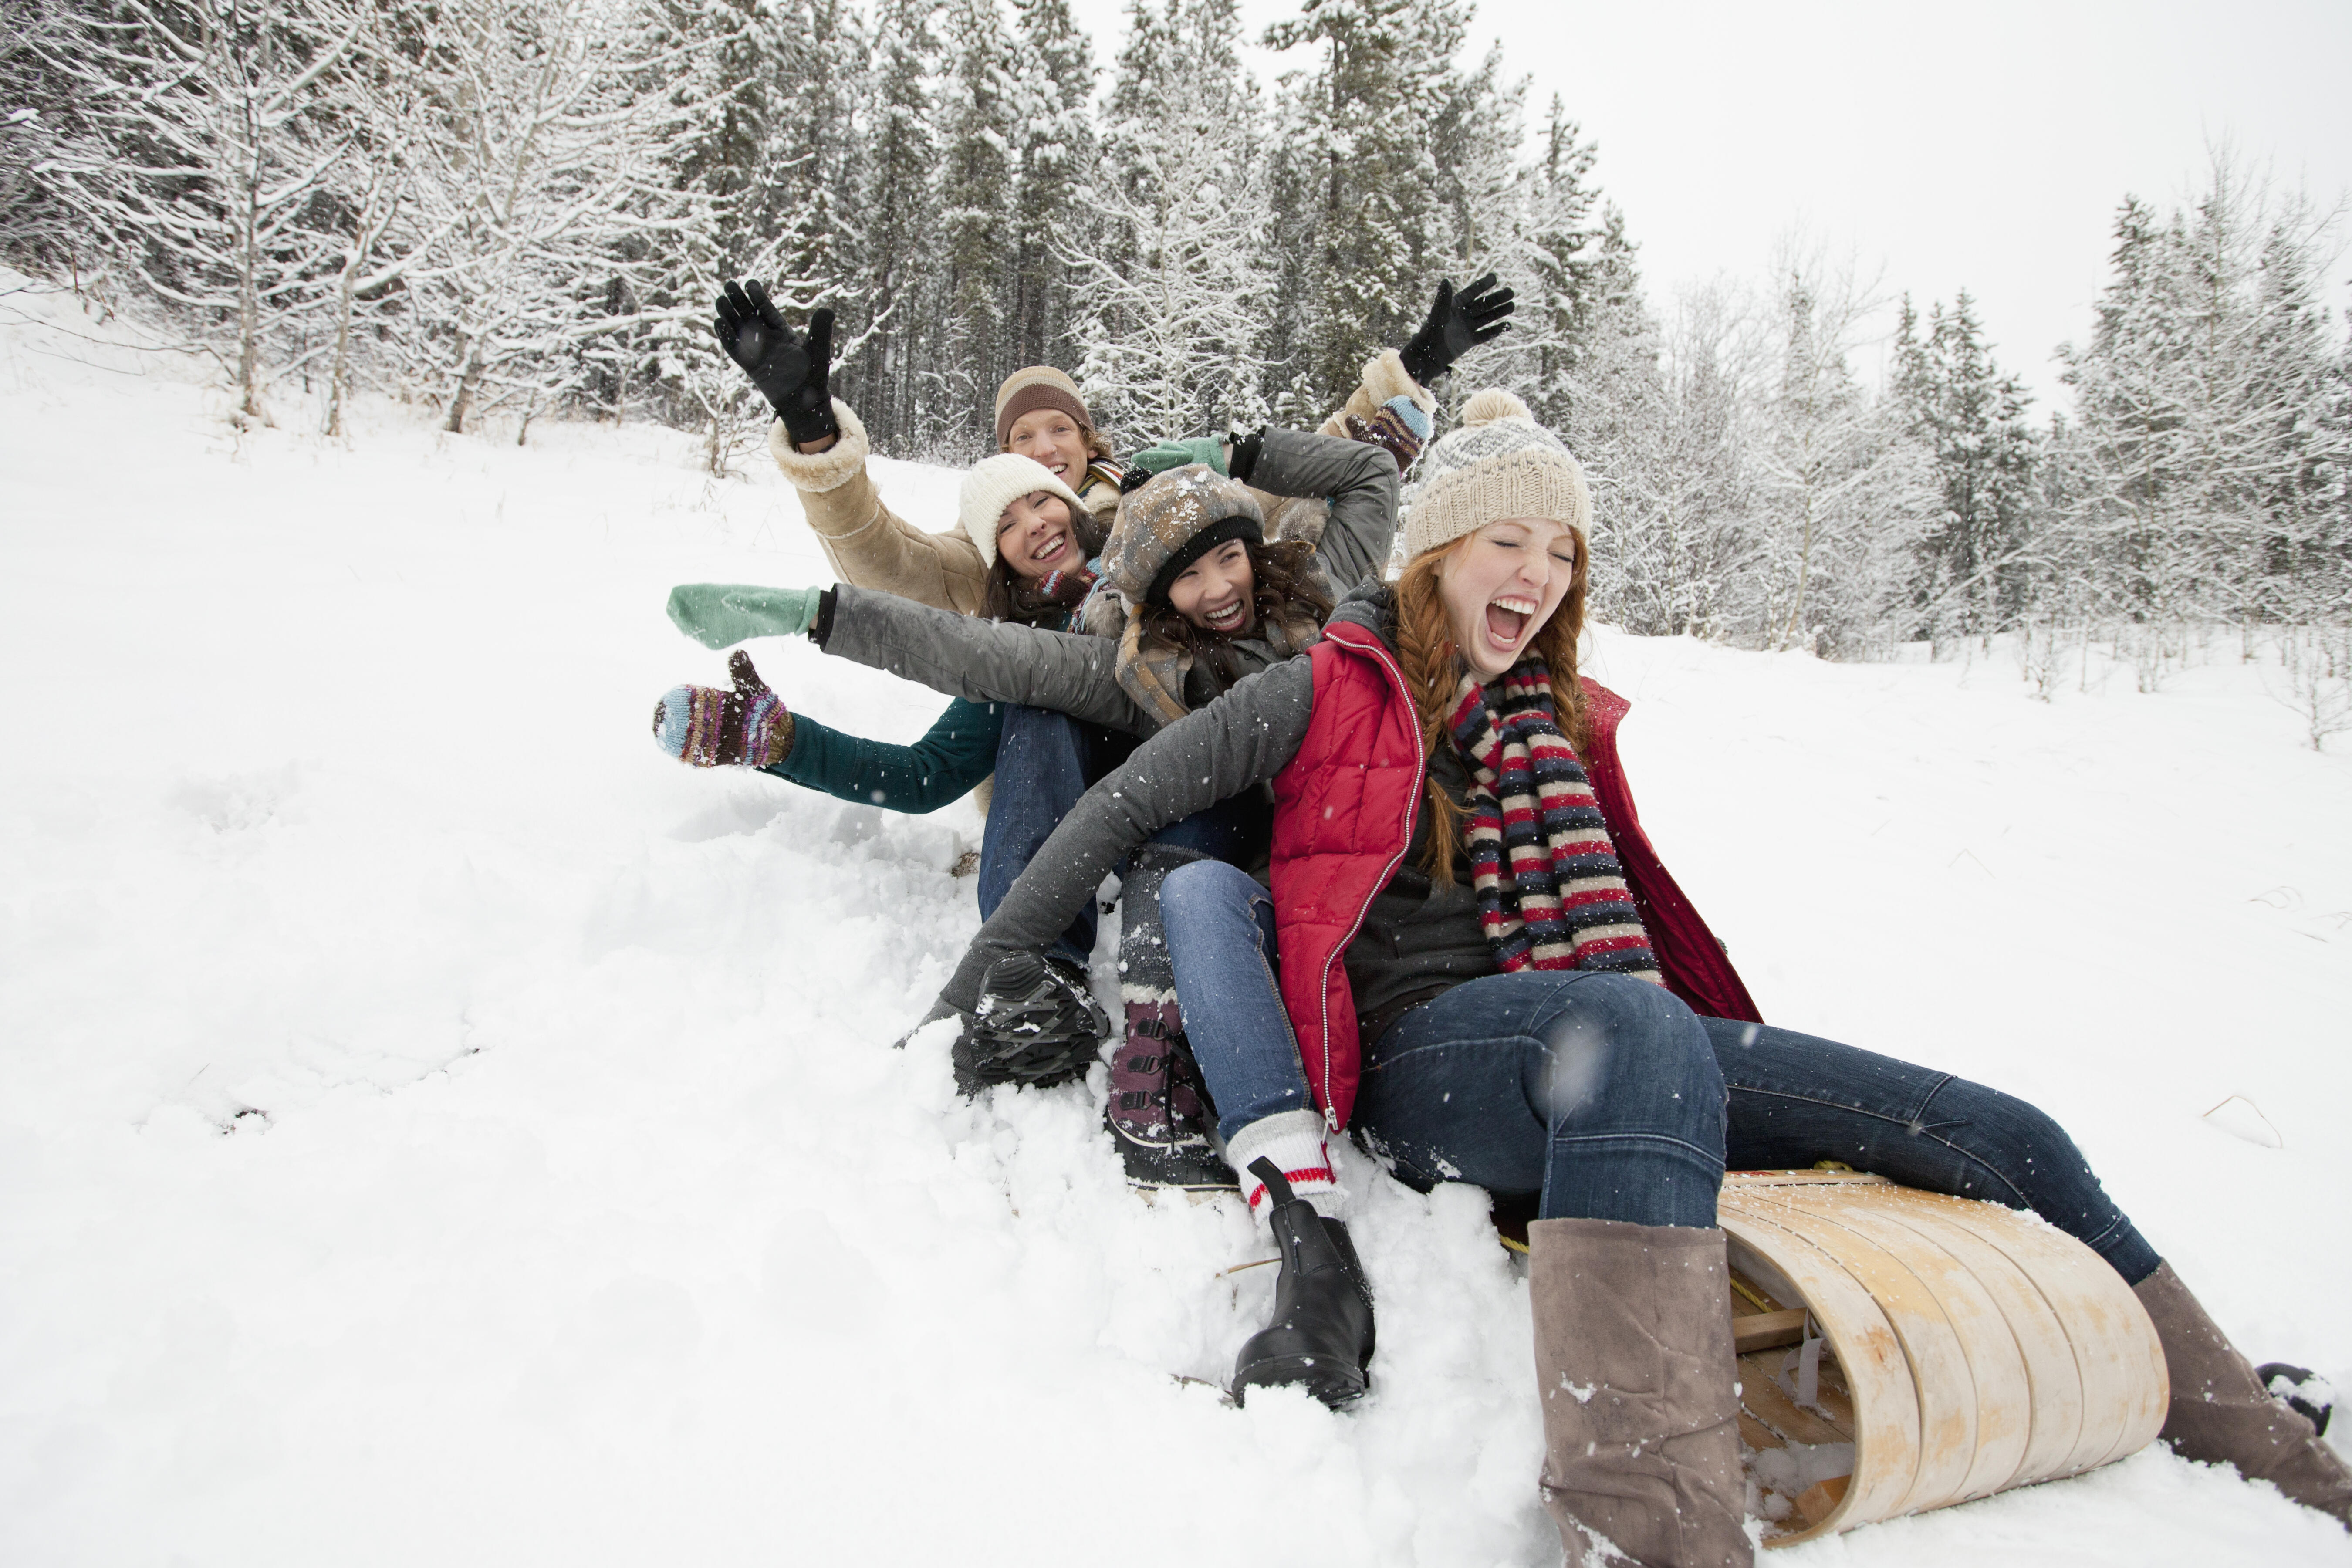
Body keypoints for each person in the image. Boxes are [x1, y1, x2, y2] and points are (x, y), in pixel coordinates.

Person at [910, 390, 2352, 1564]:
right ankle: (1647, 1532)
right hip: (1425, 1065)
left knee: (2004, 1130)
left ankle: (2265, 1445)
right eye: (1507, 543)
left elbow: (1636, 932)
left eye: (1564, 552)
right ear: (1434, 556)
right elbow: (1117, 809)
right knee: (1628, 1027)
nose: (1539, 574)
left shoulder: (1557, 720)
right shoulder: (1327, 685)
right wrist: (987, 967)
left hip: (1615, 1036)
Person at [657, 425, 1404, 1184]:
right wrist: (815, 633)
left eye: (1041, 499)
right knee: (1055, 719)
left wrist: (1233, 453)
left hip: (1278, 821)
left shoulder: (1285, 581)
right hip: (1122, 814)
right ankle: (1041, 983)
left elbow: (1363, 471)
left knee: (1185, 794)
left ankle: (1138, 1008)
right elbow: (950, 709)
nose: (1033, 526)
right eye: (1005, 527)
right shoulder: (1114, 662)